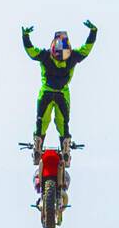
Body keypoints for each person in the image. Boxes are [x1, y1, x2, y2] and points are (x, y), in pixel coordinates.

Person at [22, 20, 98, 160]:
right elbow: (86, 49)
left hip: (46, 92)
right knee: (62, 122)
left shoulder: (45, 56)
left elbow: (31, 51)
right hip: (62, 94)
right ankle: (65, 148)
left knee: (42, 121)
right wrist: (93, 33)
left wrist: (26, 36)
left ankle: (39, 144)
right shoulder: (73, 56)